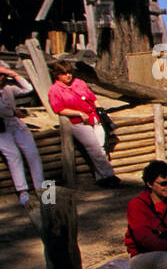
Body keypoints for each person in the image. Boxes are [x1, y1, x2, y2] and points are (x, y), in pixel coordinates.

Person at [47, 61, 119, 187]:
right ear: (57, 75)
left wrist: (102, 112)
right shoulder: (55, 90)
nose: (67, 76)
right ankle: (109, 174)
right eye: (63, 74)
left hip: (94, 117)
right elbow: (58, 109)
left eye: (69, 72)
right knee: (94, 148)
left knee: (101, 147)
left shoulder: (79, 83)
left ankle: (101, 177)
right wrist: (78, 113)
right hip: (78, 122)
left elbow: (93, 98)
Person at [0, 61, 44, 206]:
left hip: (15, 124)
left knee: (32, 152)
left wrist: (13, 74)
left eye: (2, 75)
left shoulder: (8, 88)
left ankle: (40, 188)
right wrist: (14, 111)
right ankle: (22, 191)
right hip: (1, 128)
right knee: (13, 155)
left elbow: (28, 88)